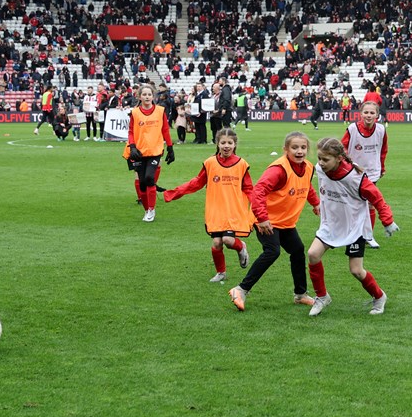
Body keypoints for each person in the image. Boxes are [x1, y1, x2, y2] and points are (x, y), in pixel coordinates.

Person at [228, 131, 321, 312]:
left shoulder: (309, 167)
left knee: (297, 250)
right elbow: (258, 192)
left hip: (285, 222)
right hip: (266, 220)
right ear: (285, 149)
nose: (299, 151)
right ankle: (240, 290)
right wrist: (262, 219)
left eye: (303, 147)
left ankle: (300, 295)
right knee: (272, 251)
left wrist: (316, 203)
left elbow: (306, 186)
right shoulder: (278, 169)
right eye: (294, 147)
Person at [306, 137, 399, 316]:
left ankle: (379, 297)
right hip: (331, 225)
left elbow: (377, 198)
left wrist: (387, 221)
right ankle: (322, 297)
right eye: (319, 158)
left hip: (355, 227)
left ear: (339, 158)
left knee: (356, 270)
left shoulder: (355, 178)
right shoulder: (320, 169)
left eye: (325, 159)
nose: (320, 163)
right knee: (313, 254)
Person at [162, 128, 253, 283]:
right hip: (215, 210)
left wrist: (259, 207)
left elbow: (249, 188)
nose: (226, 146)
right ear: (217, 144)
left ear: (235, 144)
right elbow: (197, 182)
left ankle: (241, 247)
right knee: (217, 242)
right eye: (223, 142)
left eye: (229, 143)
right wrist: (175, 193)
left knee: (228, 240)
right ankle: (221, 273)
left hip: (233, 210)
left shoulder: (242, 164)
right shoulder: (210, 163)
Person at [122, 83, 175, 222]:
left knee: (149, 178)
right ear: (139, 96)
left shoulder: (160, 111)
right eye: (144, 94)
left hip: (155, 150)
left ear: (153, 96)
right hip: (139, 152)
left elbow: (165, 130)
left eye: (149, 94)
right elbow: (131, 131)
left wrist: (170, 148)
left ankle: (151, 209)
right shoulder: (135, 112)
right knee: (142, 183)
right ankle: (146, 210)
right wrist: (132, 147)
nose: (147, 96)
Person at [341, 100, 389, 248]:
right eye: (366, 112)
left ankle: (368, 236)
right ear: (361, 114)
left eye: (372, 113)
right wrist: (348, 165)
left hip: (372, 172)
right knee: (353, 204)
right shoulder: (352, 129)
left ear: (377, 115)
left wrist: (381, 167)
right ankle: (350, 233)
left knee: (369, 204)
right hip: (354, 172)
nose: (369, 115)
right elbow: (342, 148)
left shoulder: (381, 130)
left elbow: (383, 150)